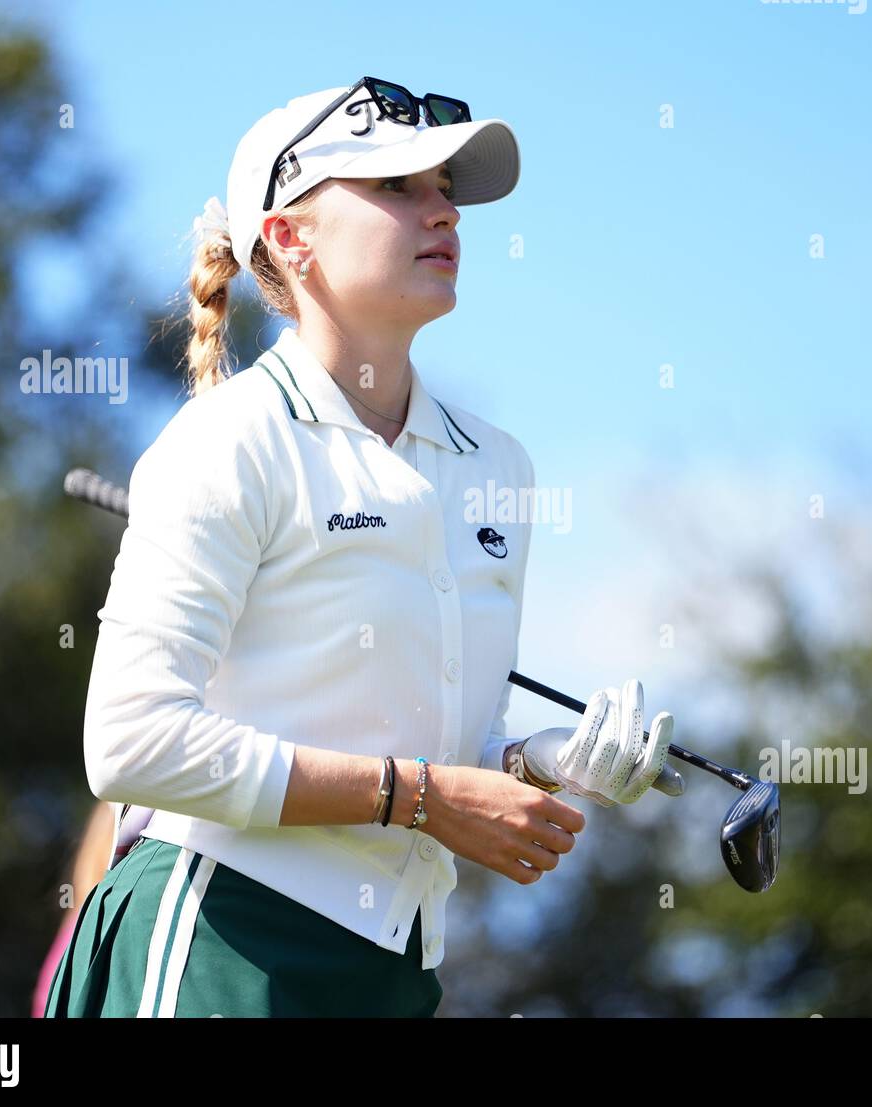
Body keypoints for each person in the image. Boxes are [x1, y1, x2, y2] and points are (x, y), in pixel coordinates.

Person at [44, 78, 681, 1018]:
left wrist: (544, 760)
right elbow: (133, 743)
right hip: (221, 936)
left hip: (396, 973)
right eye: (396, 187)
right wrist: (424, 798)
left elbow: (435, 751)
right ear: (289, 239)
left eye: (446, 189)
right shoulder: (228, 441)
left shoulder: (499, 465)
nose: (441, 210)